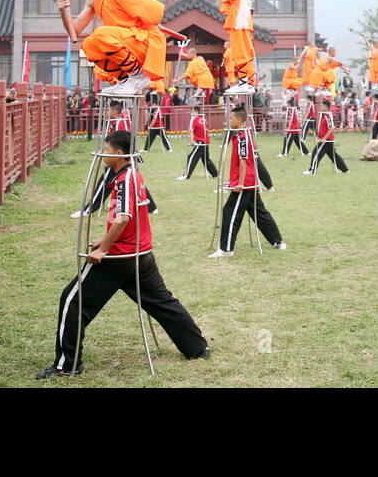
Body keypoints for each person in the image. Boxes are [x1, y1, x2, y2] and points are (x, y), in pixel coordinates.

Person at [39, 130, 209, 378]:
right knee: (162, 302)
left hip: (120, 257)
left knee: (72, 301)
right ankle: (197, 347)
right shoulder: (133, 175)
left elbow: (123, 217)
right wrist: (104, 238)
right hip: (141, 254)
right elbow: (128, 219)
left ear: (119, 153)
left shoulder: (124, 179)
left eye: (107, 150)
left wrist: (104, 248)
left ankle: (67, 365)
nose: (104, 155)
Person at [55, 0, 168, 96]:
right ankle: (126, 81)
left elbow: (156, 12)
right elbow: (74, 32)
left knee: (100, 33)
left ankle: (138, 76)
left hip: (144, 44)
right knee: (89, 44)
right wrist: (64, 11)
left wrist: (144, 22)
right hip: (124, 44)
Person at [209, 106, 286, 258]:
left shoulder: (243, 136)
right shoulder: (238, 135)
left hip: (245, 184)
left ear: (238, 120)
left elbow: (244, 161)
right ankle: (278, 241)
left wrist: (240, 183)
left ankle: (226, 249)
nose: (228, 120)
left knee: (230, 213)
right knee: (259, 212)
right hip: (246, 182)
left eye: (231, 118)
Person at [305, 93, 348, 174]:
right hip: (325, 140)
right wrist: (315, 133)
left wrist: (324, 138)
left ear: (327, 107)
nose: (321, 108)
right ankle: (345, 169)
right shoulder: (323, 116)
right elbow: (322, 128)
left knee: (316, 153)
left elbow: (332, 129)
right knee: (334, 156)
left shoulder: (328, 116)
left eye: (323, 106)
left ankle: (312, 170)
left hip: (327, 140)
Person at [178, 103, 218, 181]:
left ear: (196, 111)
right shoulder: (203, 119)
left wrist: (192, 140)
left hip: (201, 142)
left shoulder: (195, 119)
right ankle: (215, 174)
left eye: (192, 111)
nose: (191, 113)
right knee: (205, 159)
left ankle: (186, 175)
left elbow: (191, 130)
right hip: (206, 141)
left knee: (191, 157)